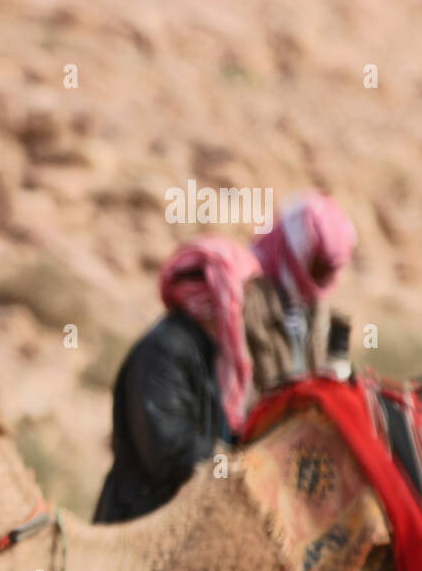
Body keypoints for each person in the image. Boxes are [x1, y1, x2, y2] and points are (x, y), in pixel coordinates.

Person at [93, 237, 257, 524]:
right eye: (243, 292)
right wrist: (238, 466)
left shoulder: (203, 349)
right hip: (141, 526)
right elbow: (171, 454)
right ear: (219, 292)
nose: (247, 304)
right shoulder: (164, 351)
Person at [245, 191, 357, 394]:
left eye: (329, 270)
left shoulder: (316, 306)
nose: (323, 279)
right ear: (300, 248)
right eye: (319, 267)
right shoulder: (251, 300)